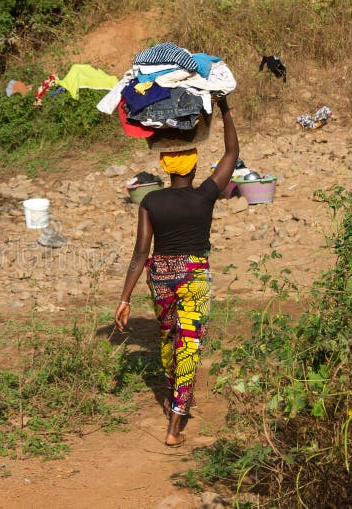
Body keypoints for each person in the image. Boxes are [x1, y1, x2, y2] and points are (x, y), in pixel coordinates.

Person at [114, 95, 239, 448]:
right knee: (189, 345)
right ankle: (174, 426)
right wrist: (225, 108)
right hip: (193, 276)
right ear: (194, 166)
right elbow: (231, 154)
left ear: (168, 167)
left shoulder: (151, 201)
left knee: (169, 341)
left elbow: (141, 251)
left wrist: (124, 298)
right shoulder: (205, 196)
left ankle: (176, 398)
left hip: (161, 277)